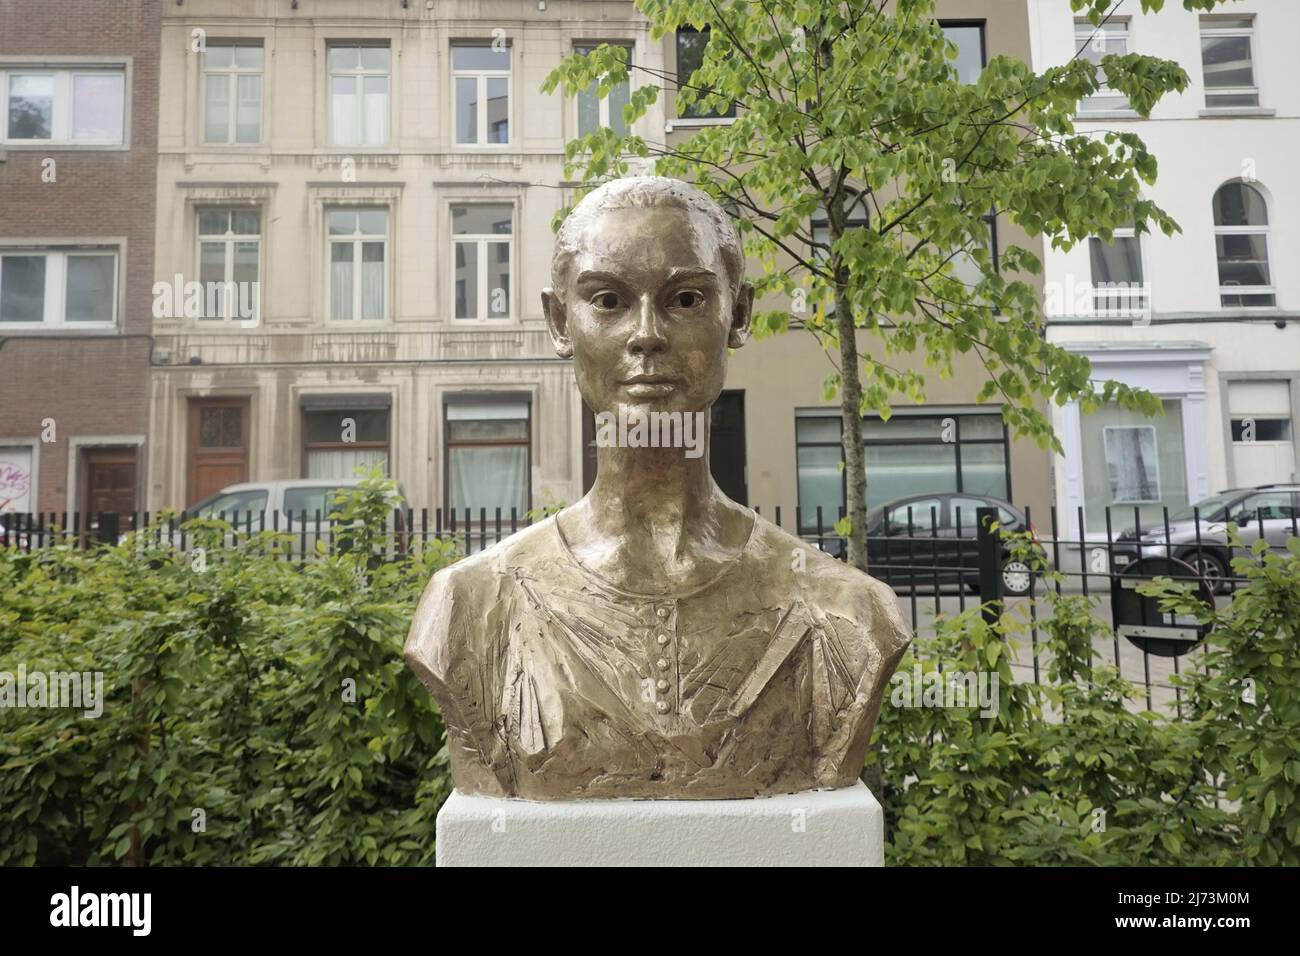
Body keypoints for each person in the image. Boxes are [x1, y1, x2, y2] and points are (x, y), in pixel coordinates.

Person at [405, 176, 910, 800]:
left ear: (739, 314)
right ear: (560, 322)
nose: (647, 334)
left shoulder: (846, 614)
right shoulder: (469, 606)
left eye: (687, 299)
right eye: (609, 300)